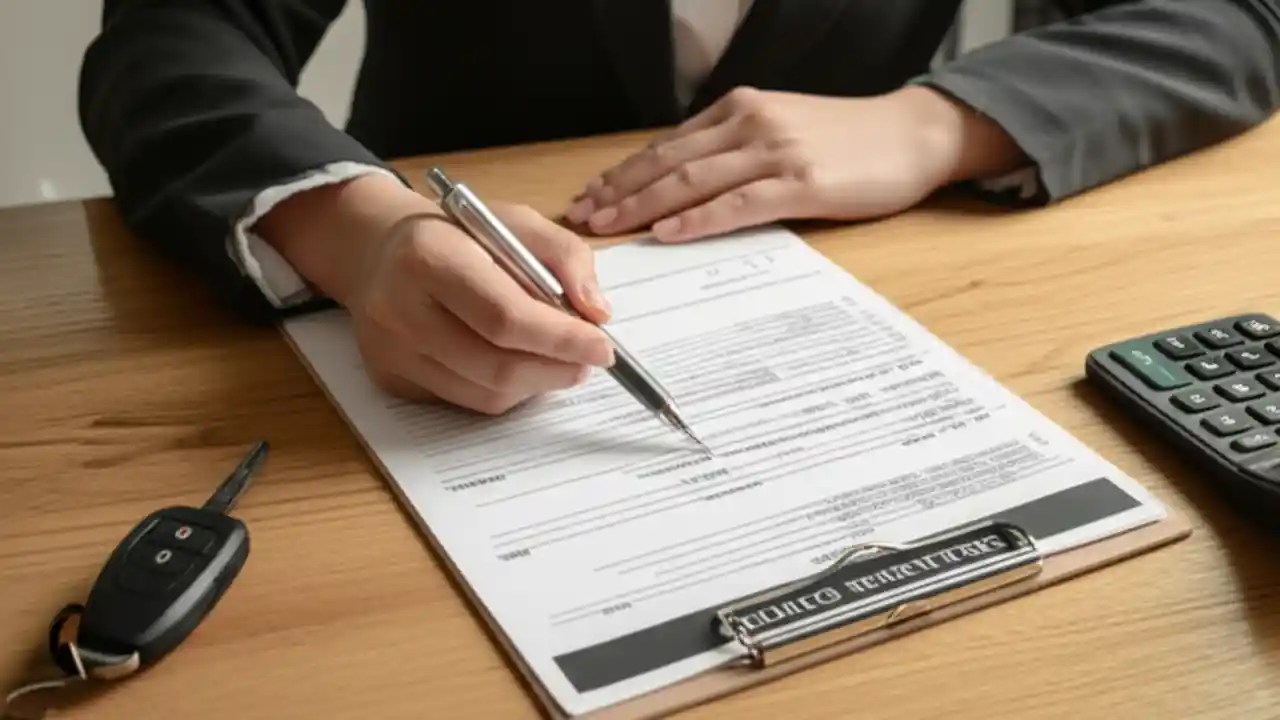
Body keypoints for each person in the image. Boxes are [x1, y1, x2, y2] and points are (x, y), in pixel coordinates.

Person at [79, 1, 1279, 415]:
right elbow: (170, 35)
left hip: (870, 287)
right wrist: (350, 223)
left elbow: (1232, 16)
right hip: (412, 291)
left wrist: (936, 122)